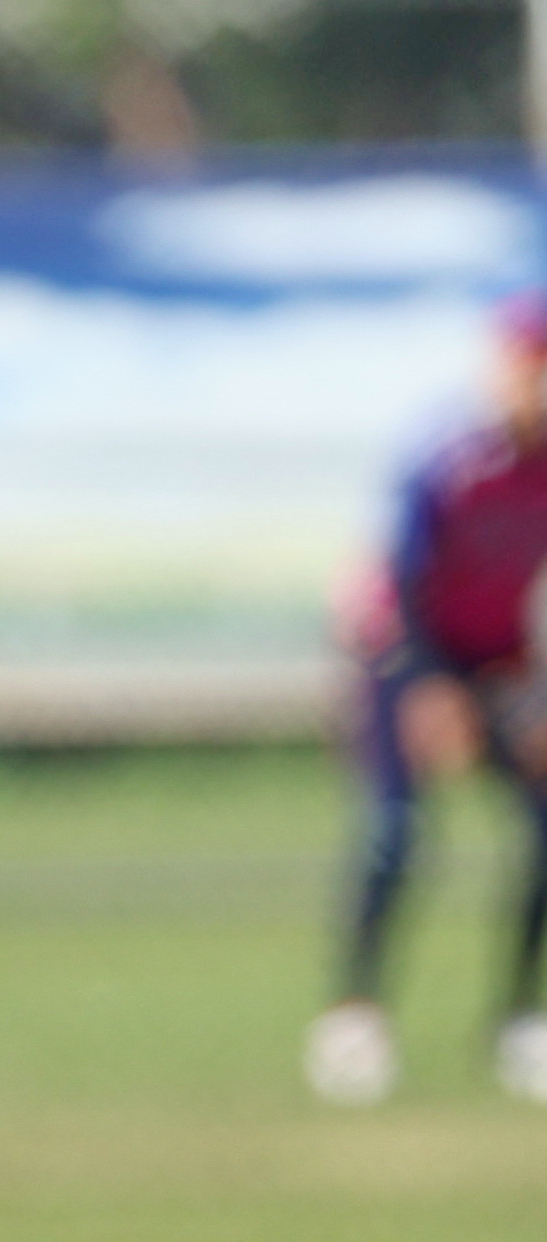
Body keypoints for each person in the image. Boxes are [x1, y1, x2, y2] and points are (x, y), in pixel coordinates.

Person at [314, 290, 547, 1107]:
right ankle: (355, 1014)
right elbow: (404, 579)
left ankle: (520, 1019)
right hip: (404, 653)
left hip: (496, 661)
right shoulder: (452, 452)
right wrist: (426, 688)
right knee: (396, 829)